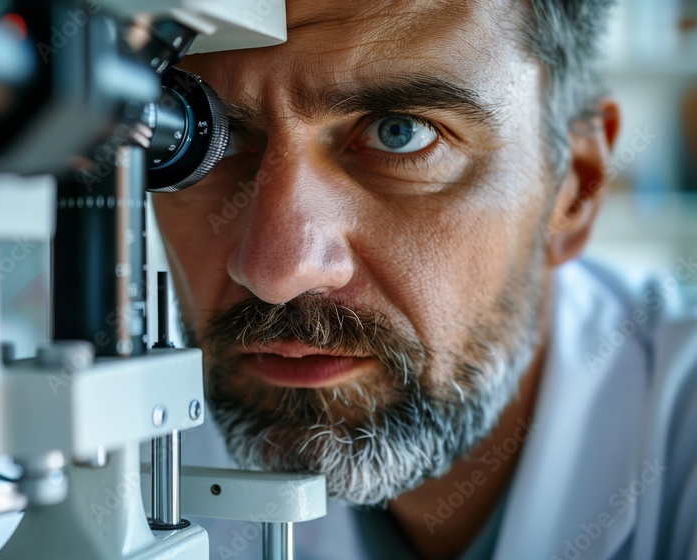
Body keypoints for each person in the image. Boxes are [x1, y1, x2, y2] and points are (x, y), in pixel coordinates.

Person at [152, 1, 697, 558]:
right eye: (209, 141)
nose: (276, 272)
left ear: (573, 189)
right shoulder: (132, 448)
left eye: (400, 133)